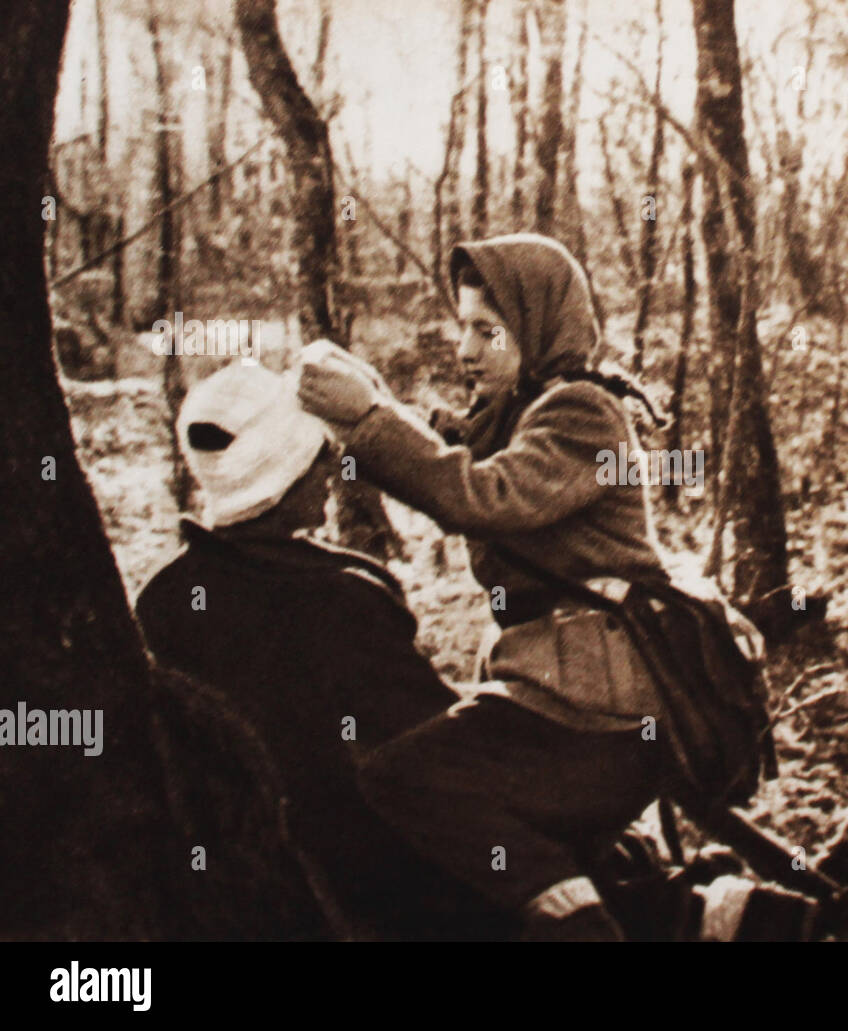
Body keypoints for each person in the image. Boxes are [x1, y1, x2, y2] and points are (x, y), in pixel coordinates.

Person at [297, 233, 688, 941]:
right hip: (566, 700)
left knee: (407, 777)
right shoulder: (523, 410)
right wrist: (374, 401)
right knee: (519, 829)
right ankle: (751, 918)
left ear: (537, 329)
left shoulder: (581, 413)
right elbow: (455, 450)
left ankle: (581, 929)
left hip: (603, 716)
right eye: (463, 326)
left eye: (488, 330)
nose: (466, 348)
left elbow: (480, 495)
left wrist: (369, 418)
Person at [134, 362, 500, 940]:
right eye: (315, 452)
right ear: (284, 473)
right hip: (377, 900)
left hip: (238, 896)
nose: (334, 464)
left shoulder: (163, 600)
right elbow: (447, 752)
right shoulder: (344, 597)